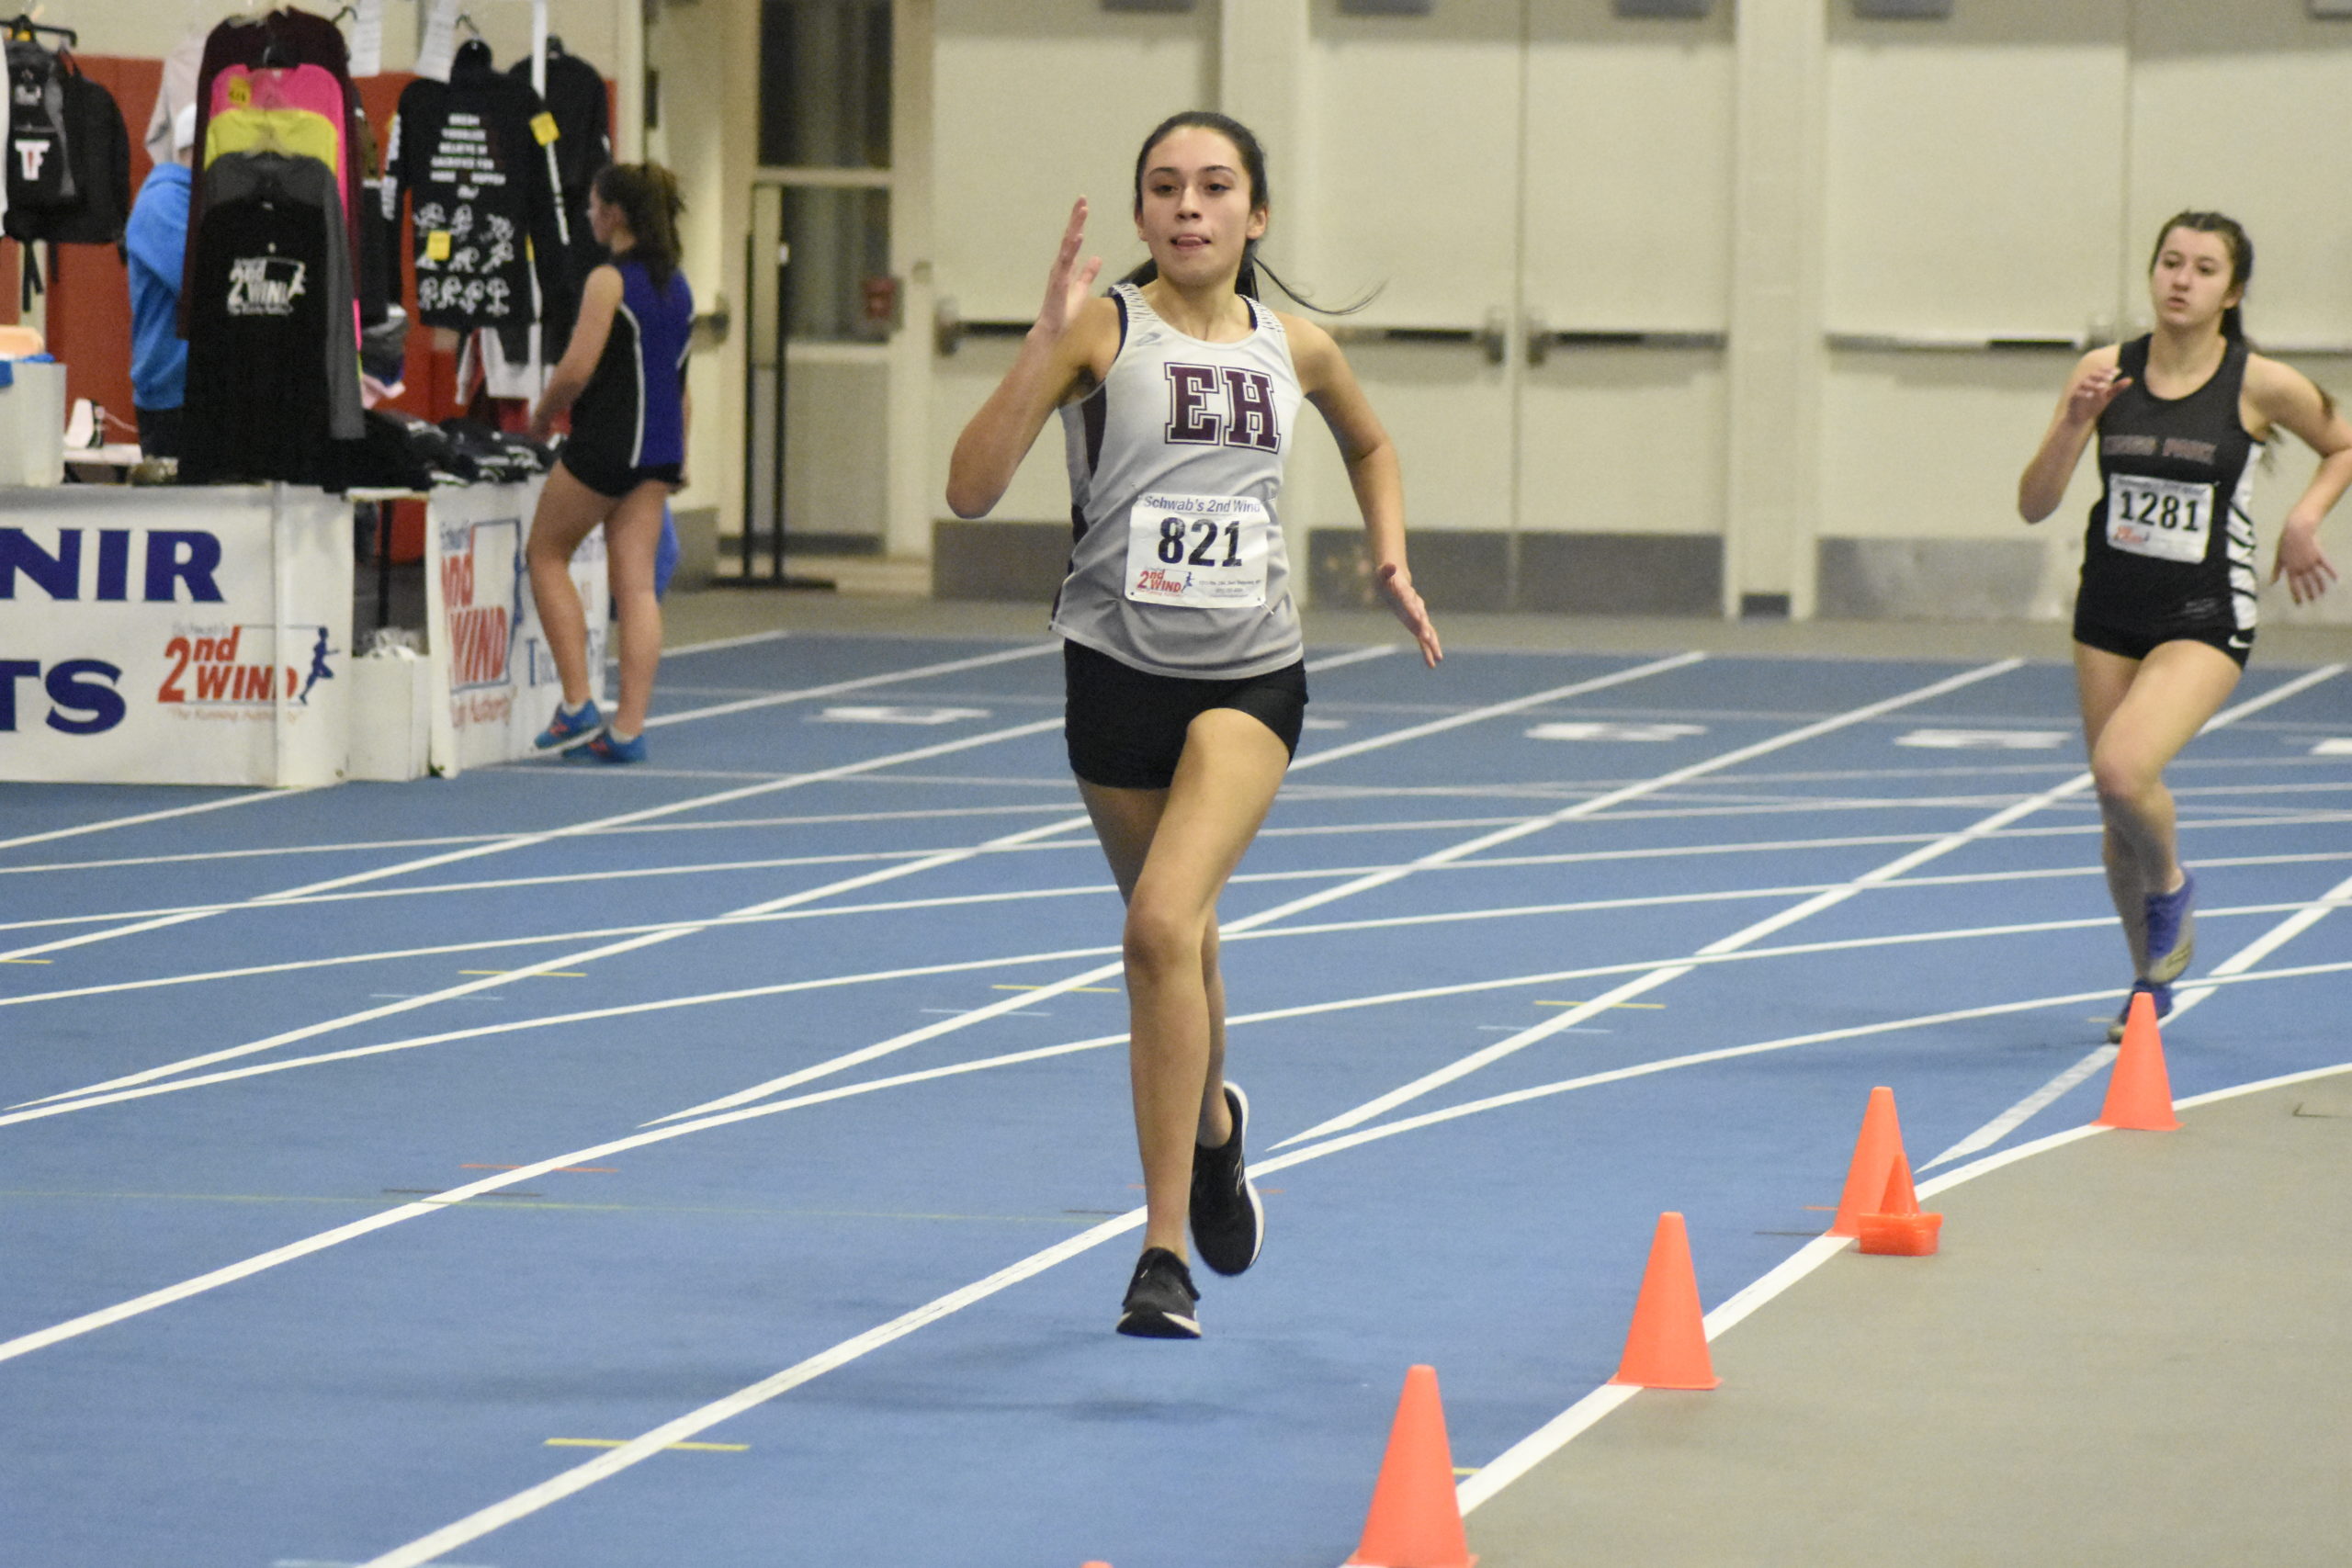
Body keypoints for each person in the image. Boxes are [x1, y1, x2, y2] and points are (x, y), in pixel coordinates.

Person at [947, 111, 1442, 1338]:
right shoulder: (1100, 333)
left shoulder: (1297, 345)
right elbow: (967, 487)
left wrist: (1387, 553)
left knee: (1158, 923)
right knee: (1185, 945)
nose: (1189, 207)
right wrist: (1034, 349)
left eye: (1215, 187)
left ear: (1255, 215)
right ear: (1139, 219)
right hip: (1113, 679)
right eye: (1165, 188)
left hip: (1250, 680)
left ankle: (1161, 1247)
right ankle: (1217, 1132)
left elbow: (1372, 441)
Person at [2018, 211, 2352, 1041]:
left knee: (2124, 771)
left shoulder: (2259, 382)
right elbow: (2034, 503)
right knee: (2112, 817)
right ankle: (2148, 984)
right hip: (2109, 609)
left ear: (2230, 292)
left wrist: (2305, 519)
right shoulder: (2106, 371)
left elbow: (2343, 444)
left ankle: (2173, 885)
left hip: (2204, 612)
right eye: (2170, 262)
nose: (2181, 279)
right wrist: (2072, 421)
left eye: (2204, 269)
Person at [525, 162, 693, 763]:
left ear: (615, 214)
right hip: (660, 451)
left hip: (608, 445)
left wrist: (543, 415)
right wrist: (681, 457)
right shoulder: (680, 287)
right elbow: (680, 386)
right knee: (638, 586)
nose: (589, 216)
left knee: (545, 553)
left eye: (594, 206)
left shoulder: (609, 282)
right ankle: (628, 728)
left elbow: (576, 369)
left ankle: (575, 704)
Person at [125, 104, 196, 460]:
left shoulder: (202, 203)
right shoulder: (163, 203)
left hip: (209, 391)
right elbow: (202, 286)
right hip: (174, 397)